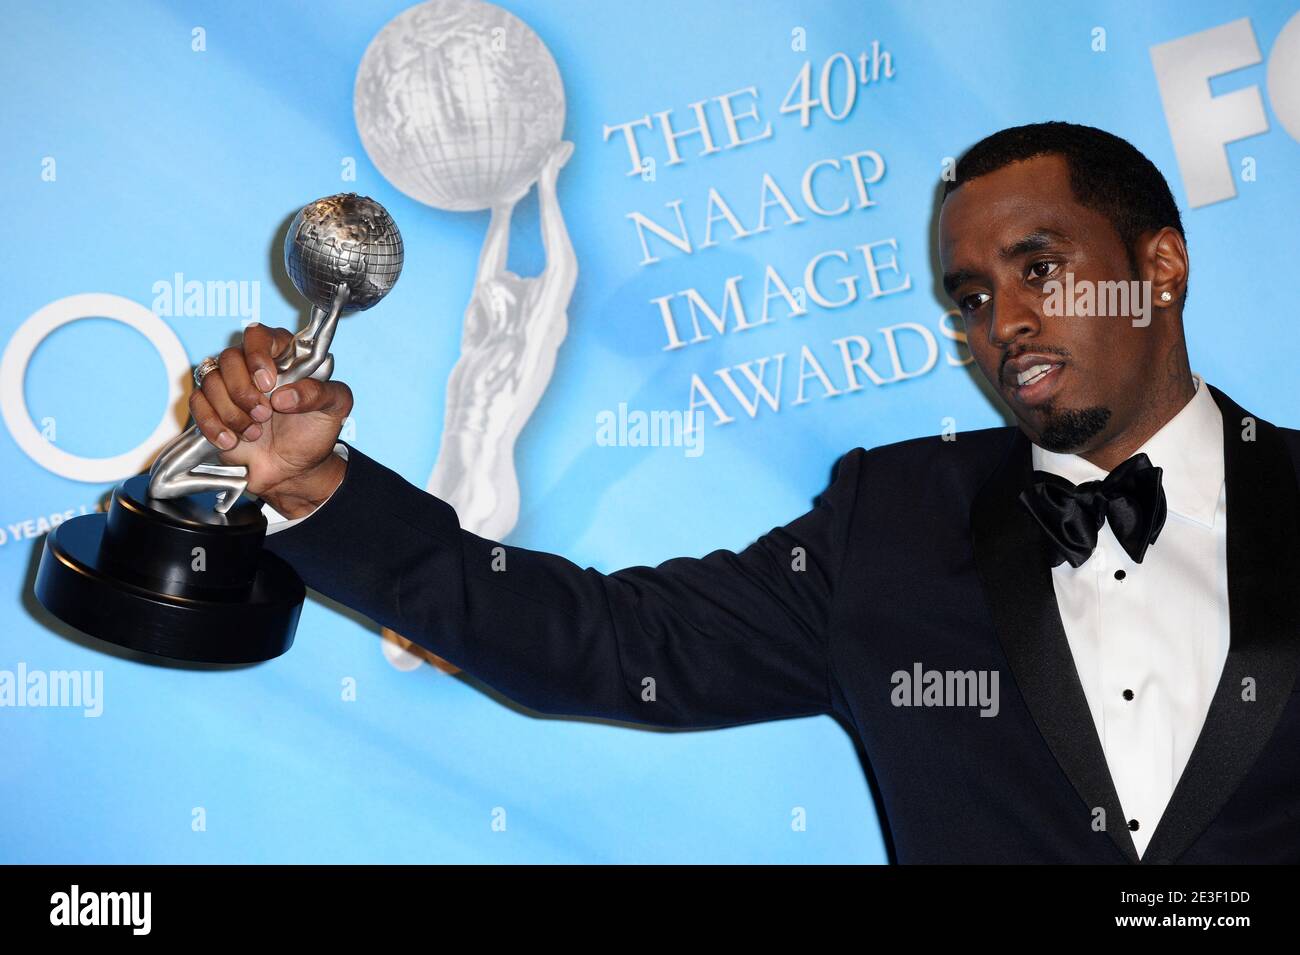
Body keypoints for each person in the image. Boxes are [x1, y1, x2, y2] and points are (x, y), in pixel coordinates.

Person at [179, 122, 1300, 864]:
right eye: (968, 295)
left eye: (1039, 267)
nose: (1000, 324)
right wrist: (318, 483)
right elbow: (606, 642)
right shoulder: (893, 521)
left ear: (1159, 265)